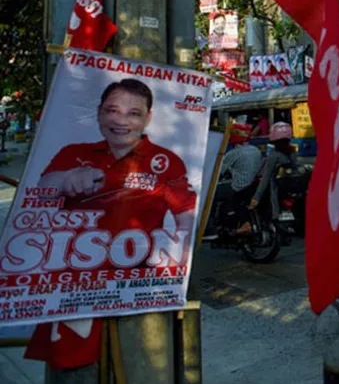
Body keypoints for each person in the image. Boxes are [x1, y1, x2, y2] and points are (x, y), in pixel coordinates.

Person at [37, 78, 197, 263]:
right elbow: (41, 190)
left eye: (134, 113)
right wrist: (66, 178)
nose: (121, 121)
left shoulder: (168, 161)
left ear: (148, 118)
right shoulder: (73, 152)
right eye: (112, 111)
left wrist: (178, 265)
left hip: (135, 279)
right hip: (71, 275)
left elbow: (186, 219)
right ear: (99, 113)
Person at [216, 124, 261, 235]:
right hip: (256, 186)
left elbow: (218, 171)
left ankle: (243, 225)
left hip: (241, 187)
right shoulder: (255, 150)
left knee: (224, 203)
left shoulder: (233, 153)